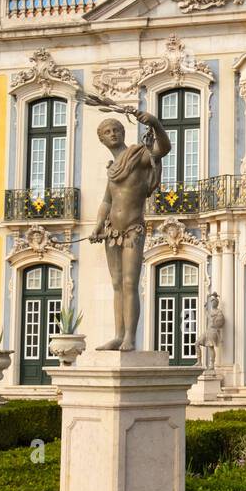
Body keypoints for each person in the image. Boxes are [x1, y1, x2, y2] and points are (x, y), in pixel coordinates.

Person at [89, 110, 170, 351]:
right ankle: (118, 334)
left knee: (128, 282)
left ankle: (130, 338)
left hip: (133, 228)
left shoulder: (138, 155)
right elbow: (107, 200)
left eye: (116, 130)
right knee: (116, 283)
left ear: (123, 132)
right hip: (112, 230)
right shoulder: (112, 168)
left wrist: (155, 123)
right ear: (102, 139)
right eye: (107, 132)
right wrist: (97, 225)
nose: (112, 134)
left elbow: (163, 148)